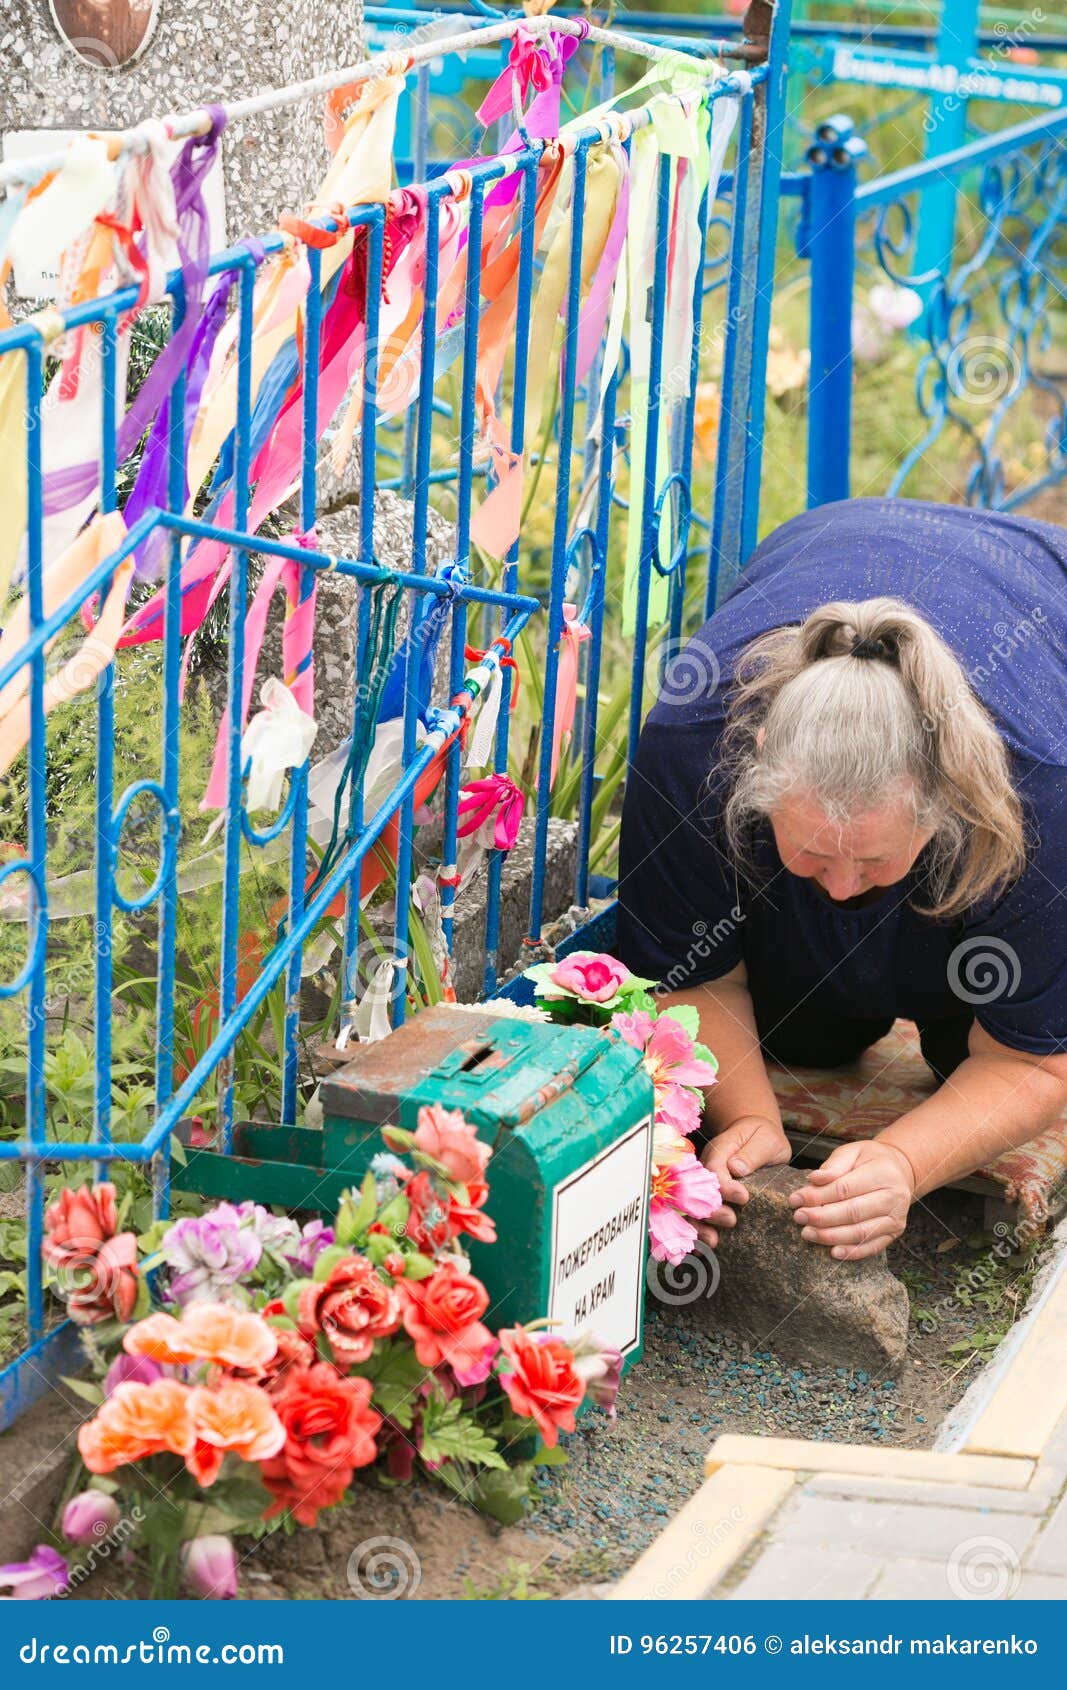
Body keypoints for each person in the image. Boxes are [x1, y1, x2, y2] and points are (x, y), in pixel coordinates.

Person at [617, 497, 1067, 1260]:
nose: (841, 886)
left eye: (873, 862)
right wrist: (751, 1120)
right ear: (754, 760)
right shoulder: (688, 747)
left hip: (1038, 587)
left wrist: (904, 1162)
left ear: (946, 798)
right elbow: (688, 976)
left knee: (972, 1052)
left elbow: (1030, 1063)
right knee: (800, 1033)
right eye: (814, 857)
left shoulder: (1037, 786)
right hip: (834, 532)